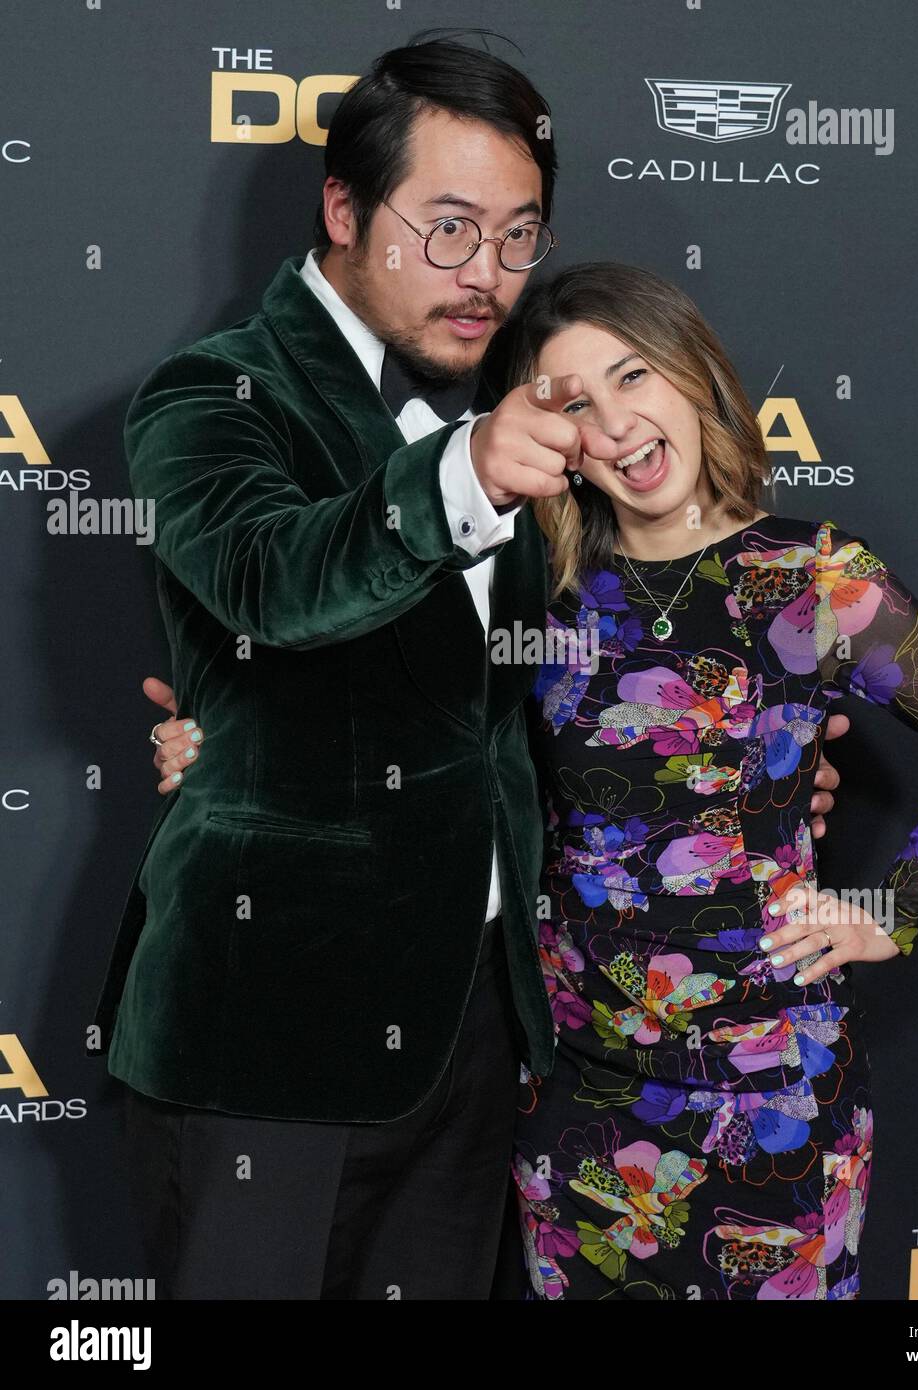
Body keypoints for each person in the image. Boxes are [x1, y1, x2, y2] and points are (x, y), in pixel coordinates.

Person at [144, 259, 918, 1300]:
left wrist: (894, 907)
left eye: (633, 377)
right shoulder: (541, 587)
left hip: (772, 1097)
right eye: (575, 404)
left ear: (692, 377)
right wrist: (214, 734)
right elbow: (401, 715)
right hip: (575, 1099)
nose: (615, 424)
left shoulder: (815, 577)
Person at [90, 33, 626, 1301]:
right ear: (341, 208)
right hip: (266, 1035)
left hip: (481, 1031)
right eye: (444, 229)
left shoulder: (541, 391)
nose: (484, 274)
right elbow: (272, 577)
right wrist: (462, 473)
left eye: (515, 236)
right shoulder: (209, 393)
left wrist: (764, 754)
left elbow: (578, 663)